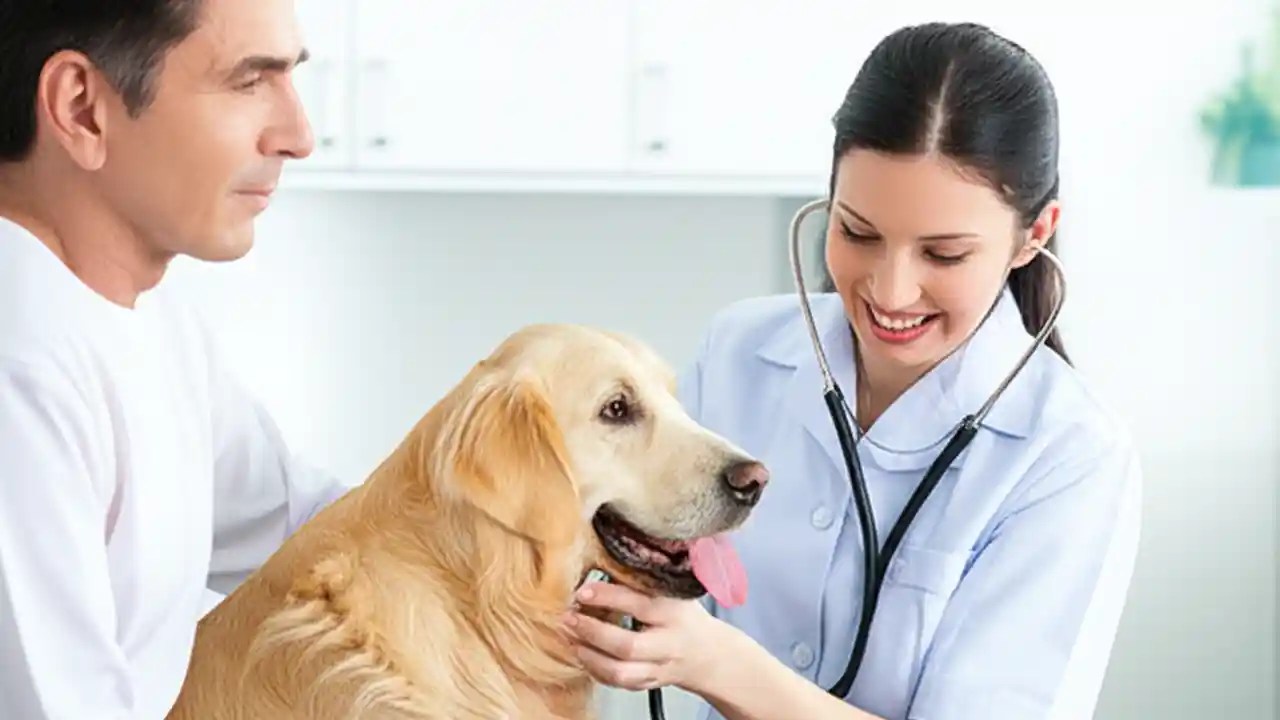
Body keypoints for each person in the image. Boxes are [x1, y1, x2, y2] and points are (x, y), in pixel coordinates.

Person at [564, 21, 1143, 720]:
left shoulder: (1067, 456)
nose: (891, 291)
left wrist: (715, 661)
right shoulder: (740, 352)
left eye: (945, 255)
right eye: (859, 233)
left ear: (1034, 235)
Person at [0, 1, 356, 717]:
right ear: (82, 109)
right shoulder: (22, 360)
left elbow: (318, 541)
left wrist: (621, 587)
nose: (299, 136)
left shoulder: (148, 322)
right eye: (250, 81)